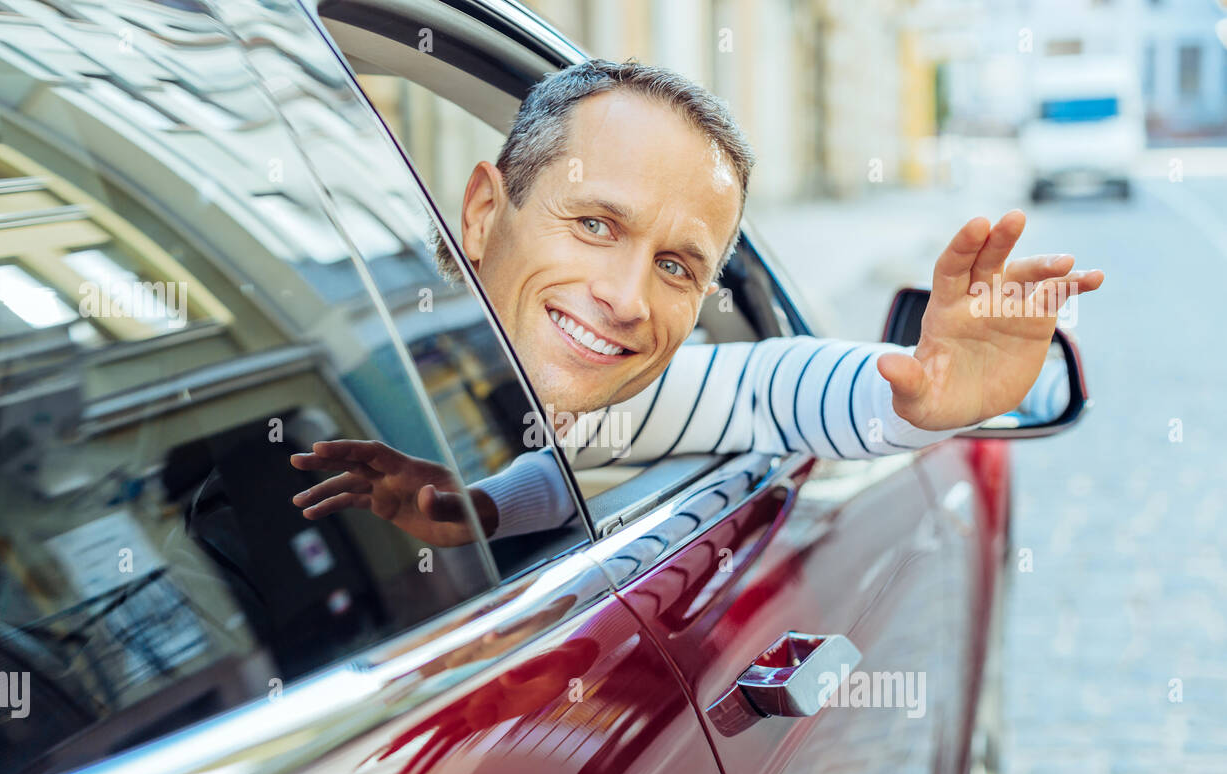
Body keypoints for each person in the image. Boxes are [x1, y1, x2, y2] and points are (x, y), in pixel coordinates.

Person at [289, 59, 1103, 544]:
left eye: (678, 267)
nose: (626, 298)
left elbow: (768, 390)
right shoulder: (331, 386)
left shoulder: (624, 401)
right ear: (482, 213)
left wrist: (927, 396)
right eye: (596, 223)